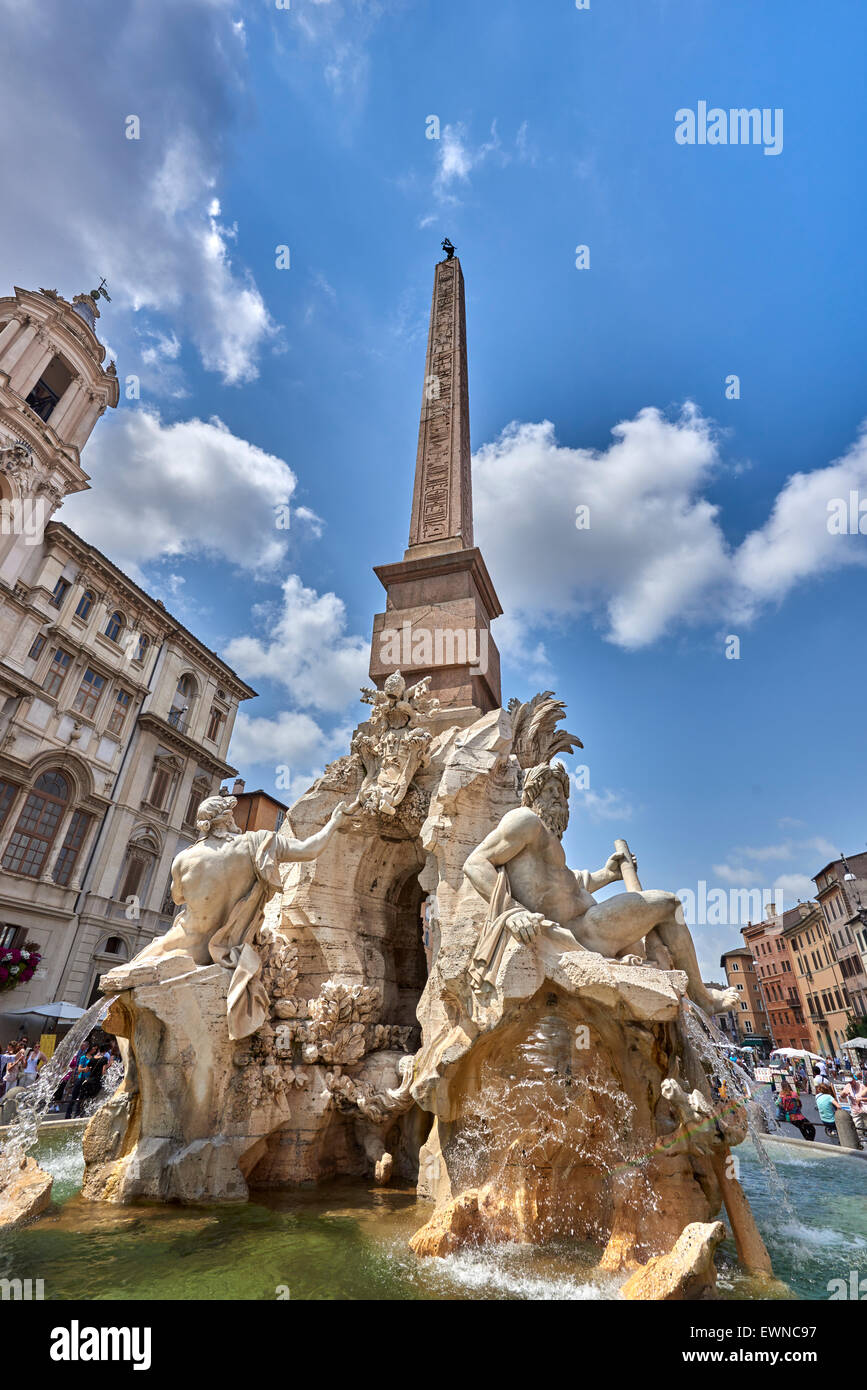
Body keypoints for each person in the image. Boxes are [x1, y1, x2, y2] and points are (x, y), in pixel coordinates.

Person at [64, 1046, 95, 1118]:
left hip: (87, 1079)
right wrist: (86, 1069)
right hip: (81, 1078)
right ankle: (68, 1114)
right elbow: (79, 1069)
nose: (95, 1050)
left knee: (82, 1098)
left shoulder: (93, 1058)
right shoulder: (83, 1057)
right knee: (74, 1096)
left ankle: (77, 1114)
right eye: (94, 1048)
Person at [840, 1074, 867, 1145]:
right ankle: (862, 1143)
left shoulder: (862, 1086)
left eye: (851, 1081)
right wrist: (843, 1094)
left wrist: (861, 1099)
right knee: (858, 1128)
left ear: (854, 1079)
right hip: (855, 1110)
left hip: (864, 1110)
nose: (850, 1083)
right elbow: (842, 1096)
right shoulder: (847, 1086)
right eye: (849, 1082)